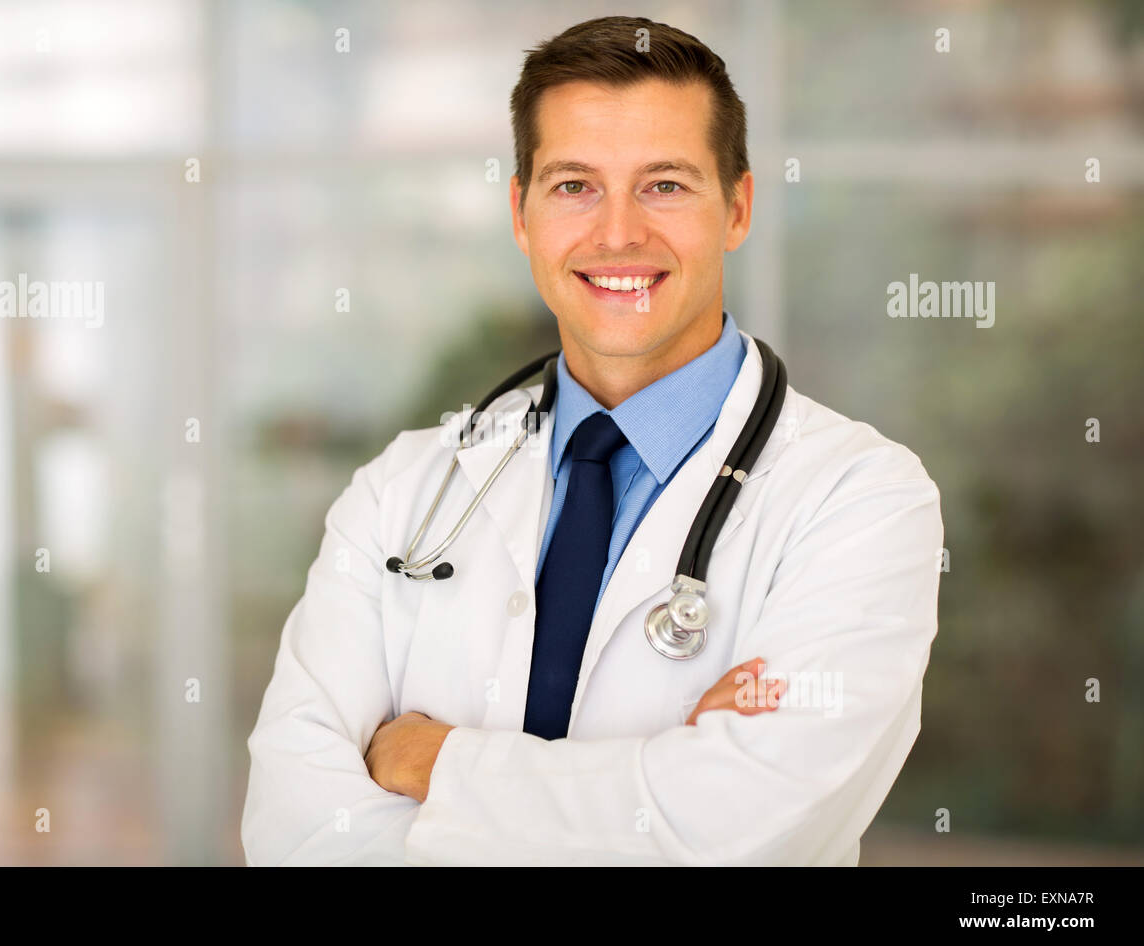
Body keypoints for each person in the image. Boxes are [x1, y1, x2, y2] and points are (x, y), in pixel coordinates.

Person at [242, 15, 944, 865]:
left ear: (738, 208)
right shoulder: (402, 492)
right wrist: (651, 782)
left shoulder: (859, 502)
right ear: (521, 213)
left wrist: (440, 763)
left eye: (665, 185)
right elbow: (294, 830)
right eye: (575, 185)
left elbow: (740, 829)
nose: (617, 234)